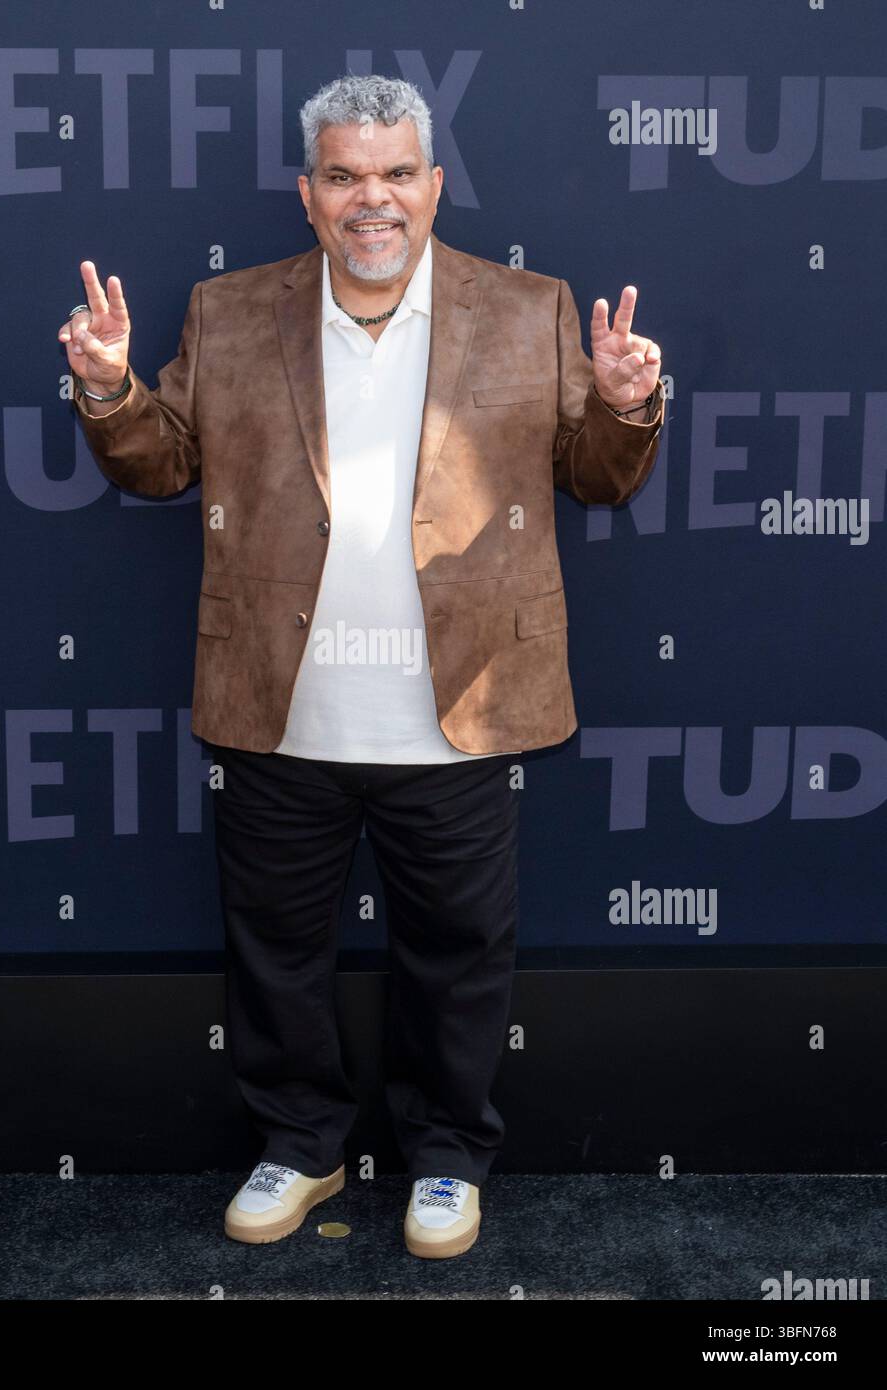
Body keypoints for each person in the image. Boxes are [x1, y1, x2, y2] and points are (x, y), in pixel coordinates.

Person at [58, 73, 664, 1260]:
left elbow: (596, 478)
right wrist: (107, 386)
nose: (369, 199)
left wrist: (627, 407)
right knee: (273, 949)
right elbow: (160, 463)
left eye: (394, 174)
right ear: (307, 193)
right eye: (343, 175)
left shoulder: (529, 307)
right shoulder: (232, 313)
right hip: (281, 709)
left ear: (433, 188)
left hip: (462, 708)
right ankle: (298, 1145)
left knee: (457, 955)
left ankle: (446, 1157)